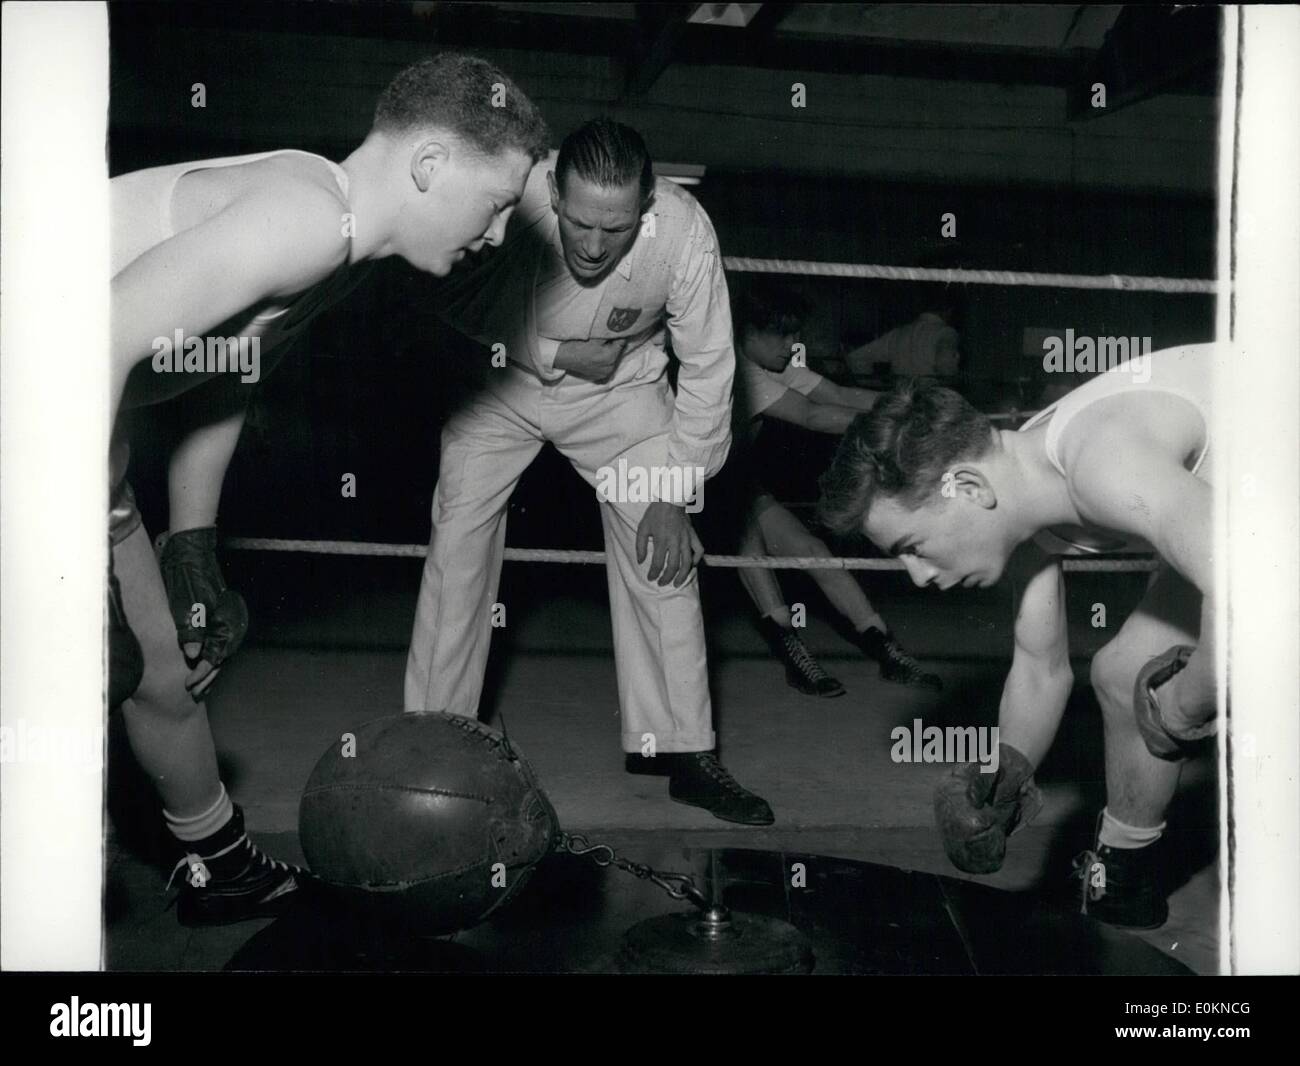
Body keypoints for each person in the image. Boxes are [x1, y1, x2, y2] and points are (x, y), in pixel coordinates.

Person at [109, 53, 549, 925]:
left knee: (160, 672)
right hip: (41, 425)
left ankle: (219, 864)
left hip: (81, 445)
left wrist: (189, 538)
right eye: (497, 205)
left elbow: (220, 374)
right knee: (65, 693)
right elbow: (85, 343)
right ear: (430, 167)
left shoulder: (329, 233)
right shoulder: (306, 220)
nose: (496, 237)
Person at [404, 118, 773, 826]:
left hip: (620, 395)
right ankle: (432, 740)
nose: (595, 247)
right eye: (579, 225)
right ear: (552, 191)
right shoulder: (507, 198)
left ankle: (687, 750)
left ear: (648, 207)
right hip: (498, 385)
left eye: (617, 228)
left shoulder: (687, 232)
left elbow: (709, 369)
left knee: (664, 554)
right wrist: (560, 352)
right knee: (457, 546)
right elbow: (435, 296)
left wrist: (675, 490)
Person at [817, 344, 1215, 929]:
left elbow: (1257, 595)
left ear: (970, 487)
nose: (920, 576)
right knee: (1127, 672)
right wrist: (1004, 773)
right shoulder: (1027, 483)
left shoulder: (1103, 461)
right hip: (1246, 505)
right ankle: (1124, 877)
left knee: (1203, 678)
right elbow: (1039, 670)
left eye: (912, 547)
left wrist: (1185, 707)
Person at [721, 283, 942, 697]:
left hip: (734, 481)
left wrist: (910, 407)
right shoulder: (734, 367)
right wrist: (897, 428)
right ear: (746, 332)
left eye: (795, 333)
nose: (794, 343)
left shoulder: (771, 365)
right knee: (748, 542)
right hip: (687, 488)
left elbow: (838, 394)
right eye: (782, 334)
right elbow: (813, 415)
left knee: (812, 551)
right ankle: (790, 645)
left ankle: (883, 645)